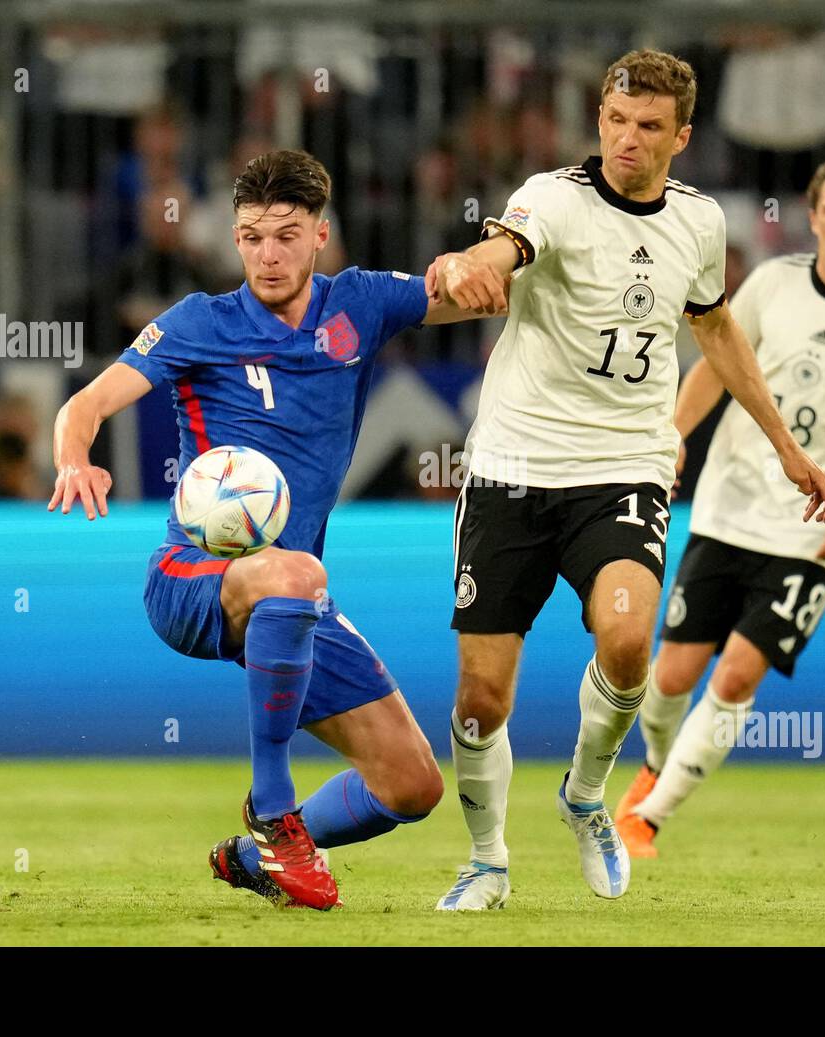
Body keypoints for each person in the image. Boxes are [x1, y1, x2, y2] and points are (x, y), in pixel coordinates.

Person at [426, 49, 825, 911]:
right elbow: (503, 247)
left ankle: (584, 794)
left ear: (681, 136)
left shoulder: (698, 221)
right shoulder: (554, 197)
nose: (627, 139)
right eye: (616, 120)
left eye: (649, 127)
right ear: (599, 116)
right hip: (512, 466)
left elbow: (716, 331)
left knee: (624, 640)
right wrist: (474, 265)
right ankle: (488, 857)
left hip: (624, 467)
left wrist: (785, 447)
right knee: (480, 696)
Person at [48, 149, 504, 910]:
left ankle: (254, 855)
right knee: (296, 573)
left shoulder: (357, 305)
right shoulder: (200, 322)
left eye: (286, 234)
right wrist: (73, 459)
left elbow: (465, 292)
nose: (268, 253)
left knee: (413, 783)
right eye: (253, 235)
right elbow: (85, 406)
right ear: (235, 236)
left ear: (320, 234)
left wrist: (470, 261)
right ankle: (272, 808)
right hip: (193, 580)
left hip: (295, 595)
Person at [614, 154, 825, 856]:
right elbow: (715, 364)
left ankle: (646, 817)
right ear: (812, 214)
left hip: (814, 530)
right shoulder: (773, 283)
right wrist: (672, 432)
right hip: (730, 504)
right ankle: (653, 766)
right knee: (671, 674)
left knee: (737, 671)